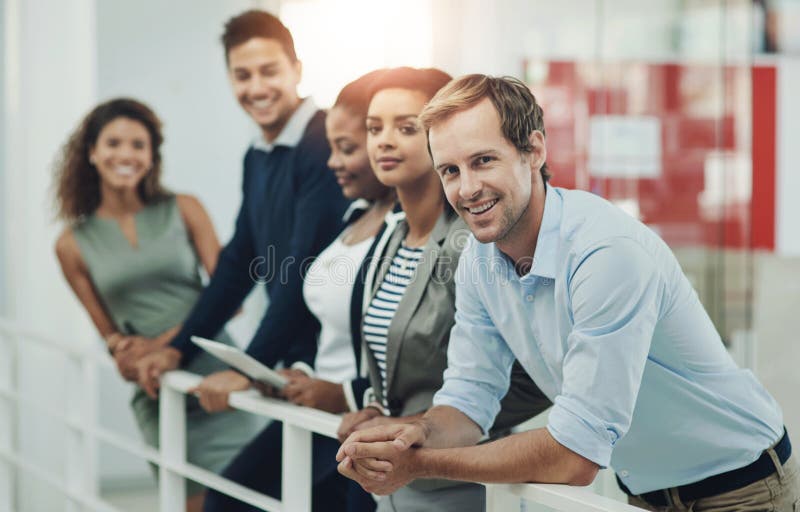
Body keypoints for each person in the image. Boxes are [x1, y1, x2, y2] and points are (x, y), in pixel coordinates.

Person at [336, 74, 800, 512]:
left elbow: (574, 456)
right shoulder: (479, 258)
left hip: (746, 486)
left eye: (483, 161)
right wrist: (406, 436)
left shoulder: (606, 253)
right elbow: (468, 398)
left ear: (533, 150)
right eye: (451, 171)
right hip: (646, 492)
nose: (468, 188)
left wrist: (421, 464)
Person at [338, 68, 550, 512]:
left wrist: (417, 426)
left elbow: (530, 382)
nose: (384, 141)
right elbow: (394, 363)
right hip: (398, 483)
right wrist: (379, 414)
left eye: (406, 127)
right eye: (374, 128)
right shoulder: (394, 236)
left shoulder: (474, 242)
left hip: (463, 481)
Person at [134, 10, 349, 414]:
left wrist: (253, 368)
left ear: (297, 69)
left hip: (334, 369)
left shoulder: (323, 143)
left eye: (269, 71)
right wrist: (178, 350)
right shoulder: (257, 154)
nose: (257, 88)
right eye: (243, 75)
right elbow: (239, 261)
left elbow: (301, 266)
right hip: (294, 361)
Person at [53, 98, 262, 512]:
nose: (126, 154)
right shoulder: (71, 245)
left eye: (138, 145)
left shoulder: (184, 208)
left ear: (151, 157)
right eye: (114, 143)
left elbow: (230, 298)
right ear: (92, 152)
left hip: (212, 378)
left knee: (250, 499)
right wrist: (123, 351)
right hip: (157, 391)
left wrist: (168, 344)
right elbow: (110, 334)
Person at [202, 70, 394, 512]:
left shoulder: (411, 232)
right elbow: (328, 323)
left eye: (346, 149)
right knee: (227, 498)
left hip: (359, 418)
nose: (332, 163)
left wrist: (345, 392)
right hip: (319, 409)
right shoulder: (356, 214)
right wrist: (298, 372)